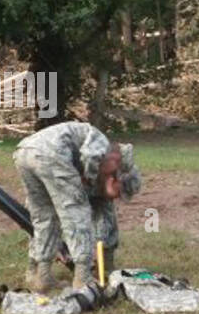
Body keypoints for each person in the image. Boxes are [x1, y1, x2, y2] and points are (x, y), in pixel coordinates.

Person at [13, 121, 141, 293]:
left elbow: (106, 219)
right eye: (120, 193)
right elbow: (90, 159)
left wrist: (107, 264)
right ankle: (82, 278)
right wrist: (87, 181)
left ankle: (42, 276)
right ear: (118, 176)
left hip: (23, 152)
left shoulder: (102, 168)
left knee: (44, 216)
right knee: (76, 211)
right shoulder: (104, 147)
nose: (116, 198)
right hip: (51, 153)